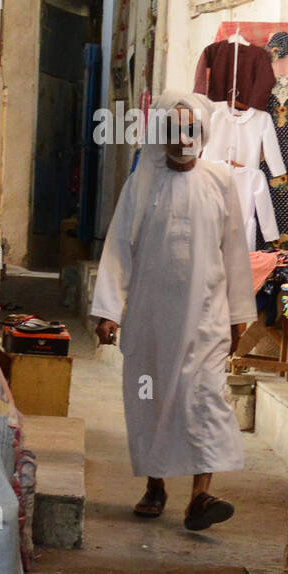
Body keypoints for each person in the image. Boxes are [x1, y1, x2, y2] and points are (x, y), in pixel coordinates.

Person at [90, 90, 256, 530]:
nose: (183, 136)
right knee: (153, 399)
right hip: (150, 319)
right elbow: (118, 248)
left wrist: (240, 313)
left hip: (206, 317)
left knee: (204, 398)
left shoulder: (220, 181)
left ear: (201, 133)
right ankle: (156, 484)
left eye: (190, 128)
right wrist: (109, 308)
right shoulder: (143, 183)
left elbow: (235, 250)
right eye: (174, 128)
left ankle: (201, 497)